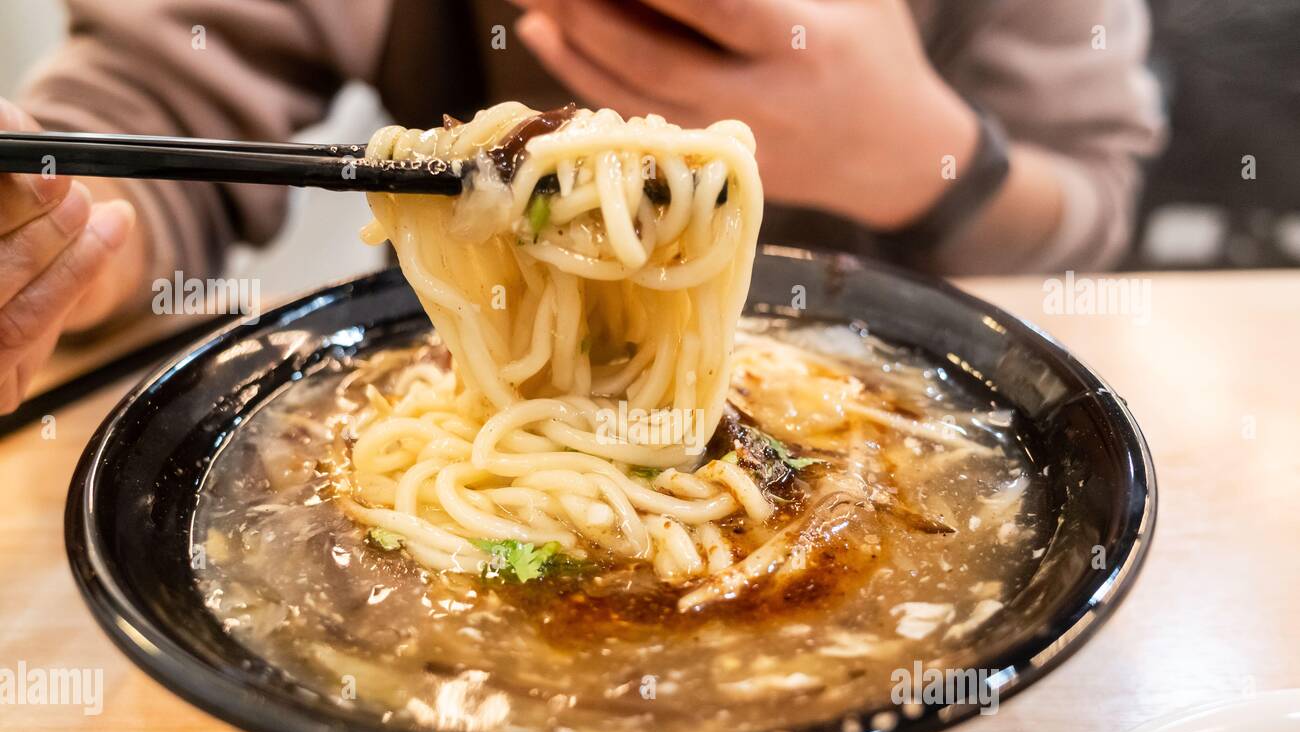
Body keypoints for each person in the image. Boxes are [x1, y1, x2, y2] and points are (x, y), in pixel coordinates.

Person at [0, 0, 1164, 414]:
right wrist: (53, 242)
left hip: (875, 403)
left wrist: (919, 153)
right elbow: (143, 123)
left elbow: (1091, 208)